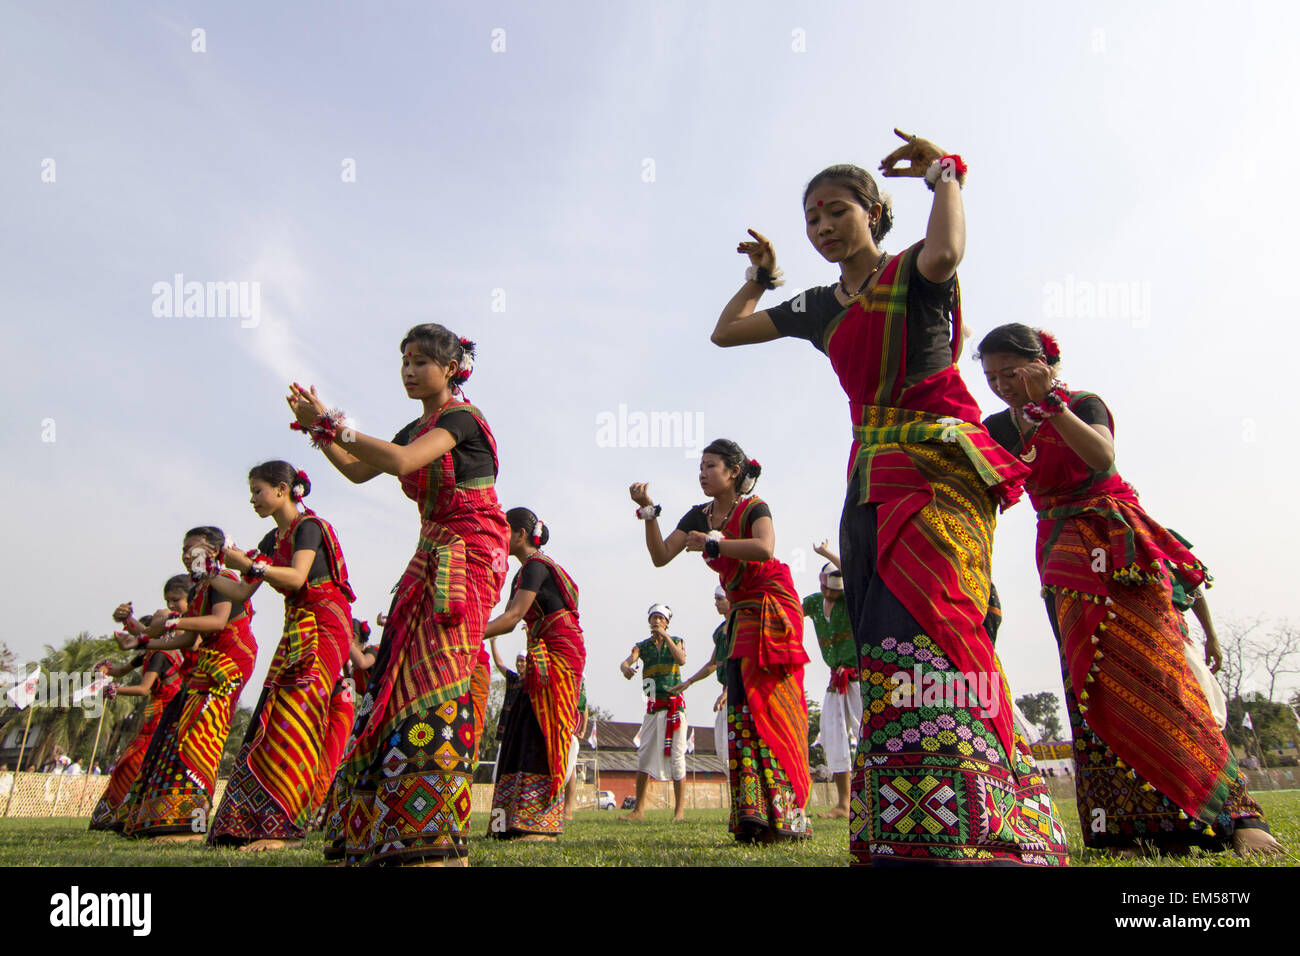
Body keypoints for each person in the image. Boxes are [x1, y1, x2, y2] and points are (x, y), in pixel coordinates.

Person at [710, 131, 1068, 865]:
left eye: (836, 210)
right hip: (870, 480)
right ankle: (910, 828)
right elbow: (725, 333)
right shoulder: (817, 306)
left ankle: (988, 821)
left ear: (874, 210)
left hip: (939, 470)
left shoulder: (915, 272)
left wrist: (946, 176)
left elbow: (949, 252)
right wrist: (767, 275)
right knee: (885, 640)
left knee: (937, 623)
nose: (822, 227)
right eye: (811, 218)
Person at [977, 322, 1279, 856]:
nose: (1001, 384)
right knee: (1090, 680)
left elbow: (1101, 460)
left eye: (1011, 372)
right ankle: (1126, 823)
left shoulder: (1082, 403)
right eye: (992, 376)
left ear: (1042, 363)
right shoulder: (999, 426)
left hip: (1117, 544)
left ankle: (1232, 817)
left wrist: (1051, 405)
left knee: (1160, 670)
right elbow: (984, 480)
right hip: (1062, 554)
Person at [294, 323, 510, 866]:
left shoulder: (463, 418)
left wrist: (329, 423)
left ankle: (435, 837)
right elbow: (358, 470)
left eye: (420, 362)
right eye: (404, 362)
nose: (410, 372)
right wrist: (319, 434)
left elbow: (401, 463)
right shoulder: (414, 425)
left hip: (466, 557)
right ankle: (392, 828)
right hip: (430, 553)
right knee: (396, 680)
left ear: (451, 368)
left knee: (438, 679)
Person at [631, 438, 812, 842]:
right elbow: (661, 555)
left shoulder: (754, 507)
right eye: (700, 466)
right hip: (741, 612)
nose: (702, 473)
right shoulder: (700, 514)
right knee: (741, 709)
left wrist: (714, 543)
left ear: (733, 471)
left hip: (771, 607)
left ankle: (787, 817)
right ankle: (752, 817)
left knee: (770, 705)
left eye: (710, 466)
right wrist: (648, 513)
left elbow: (765, 548)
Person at [208, 461, 356, 851]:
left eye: (258, 490)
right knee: (275, 712)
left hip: (324, 622)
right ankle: (257, 819)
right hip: (298, 626)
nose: (253, 498)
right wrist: (207, 572)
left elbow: (295, 578)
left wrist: (248, 563)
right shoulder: (272, 541)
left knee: (300, 711)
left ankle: (285, 829)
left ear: (283, 488)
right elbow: (241, 595)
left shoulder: (309, 527)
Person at [117, 526, 258, 841]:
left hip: (227, 664)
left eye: (192, 549)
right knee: (184, 738)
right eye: (184, 549)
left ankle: (193, 829)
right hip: (207, 666)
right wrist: (140, 642)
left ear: (213, 552)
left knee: (201, 741)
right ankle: (173, 820)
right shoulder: (199, 589)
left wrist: (169, 622)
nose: (185, 555)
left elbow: (218, 622)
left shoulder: (222, 581)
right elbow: (187, 638)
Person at [483, 508, 586, 840]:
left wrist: (468, 634)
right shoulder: (523, 573)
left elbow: (513, 617)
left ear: (519, 535)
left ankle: (538, 823)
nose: (498, 537)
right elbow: (509, 615)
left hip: (558, 653)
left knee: (544, 727)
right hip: (542, 653)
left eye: (503, 530)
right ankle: (511, 821)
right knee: (522, 725)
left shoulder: (536, 567)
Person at [88, 576, 187, 832]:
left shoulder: (162, 653)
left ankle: (126, 815)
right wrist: (106, 671)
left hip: (166, 712)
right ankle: (127, 816)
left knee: (133, 764)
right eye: (168, 602)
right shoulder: (154, 651)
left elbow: (143, 688)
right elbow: (121, 669)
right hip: (158, 713)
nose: (171, 606)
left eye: (176, 601)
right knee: (138, 764)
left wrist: (114, 690)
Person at [801, 543, 858, 819]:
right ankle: (843, 804)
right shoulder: (813, 602)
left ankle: (873, 798)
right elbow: (790, 613)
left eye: (836, 590)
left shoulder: (851, 600)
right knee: (833, 736)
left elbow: (855, 570)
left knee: (866, 734)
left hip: (858, 678)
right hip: (835, 680)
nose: (830, 594)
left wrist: (826, 553)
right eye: (827, 588)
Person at [619, 605, 689, 821]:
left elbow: (682, 659)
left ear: (667, 622)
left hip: (674, 707)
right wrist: (626, 668)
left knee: (677, 757)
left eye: (660, 618)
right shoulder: (642, 647)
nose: (656, 621)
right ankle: (638, 809)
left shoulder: (676, 641)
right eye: (653, 618)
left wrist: (665, 637)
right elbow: (627, 660)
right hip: (652, 707)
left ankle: (679, 811)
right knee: (644, 756)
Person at [668, 586, 732, 798]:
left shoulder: (741, 625)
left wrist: (730, 690)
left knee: (737, 749)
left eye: (719, 598)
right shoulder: (720, 632)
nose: (716, 603)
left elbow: (745, 662)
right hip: (726, 694)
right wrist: (689, 681)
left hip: (740, 694)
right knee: (724, 750)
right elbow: (713, 663)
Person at [564, 680, 590, 820]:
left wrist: (584, 730)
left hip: (570, 737)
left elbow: (585, 710)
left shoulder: (578, 696)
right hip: (560, 735)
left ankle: (567, 810)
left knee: (570, 770)